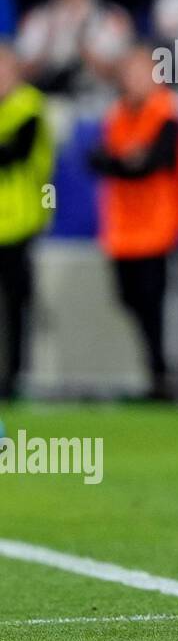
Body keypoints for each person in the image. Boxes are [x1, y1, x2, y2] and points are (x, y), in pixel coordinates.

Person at [88, 48, 178, 400]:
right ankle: (156, 373)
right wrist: (126, 161)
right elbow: (98, 160)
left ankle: (167, 377)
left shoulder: (168, 112)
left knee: (159, 306)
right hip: (123, 229)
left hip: (160, 226)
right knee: (131, 300)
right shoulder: (117, 115)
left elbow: (152, 162)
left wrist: (123, 162)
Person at [0, 45, 53, 399]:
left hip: (19, 221)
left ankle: (16, 375)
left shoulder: (29, 107)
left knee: (16, 302)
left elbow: (14, 153)